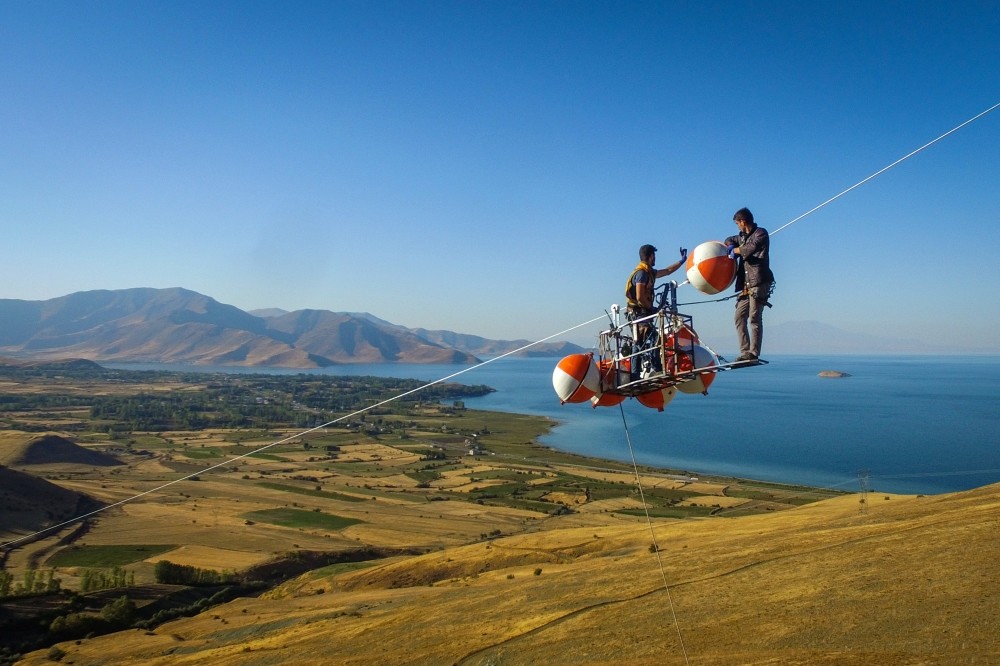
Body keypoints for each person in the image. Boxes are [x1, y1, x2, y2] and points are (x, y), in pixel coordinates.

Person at [625, 244, 687, 370]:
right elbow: (640, 297)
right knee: (652, 339)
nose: (655, 259)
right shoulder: (642, 274)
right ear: (651, 256)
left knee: (639, 343)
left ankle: (637, 374)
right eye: (654, 256)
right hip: (638, 313)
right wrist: (652, 309)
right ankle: (655, 367)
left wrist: (681, 261)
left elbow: (667, 271)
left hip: (641, 313)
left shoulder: (648, 272)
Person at [724, 207, 772, 363]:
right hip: (745, 285)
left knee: (754, 317)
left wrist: (736, 250)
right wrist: (730, 245)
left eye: (738, 223)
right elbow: (729, 239)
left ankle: (753, 353)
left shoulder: (761, 234)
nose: (737, 226)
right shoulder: (741, 237)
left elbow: (750, 248)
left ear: (743, 222)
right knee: (739, 317)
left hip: (759, 282)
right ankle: (745, 351)